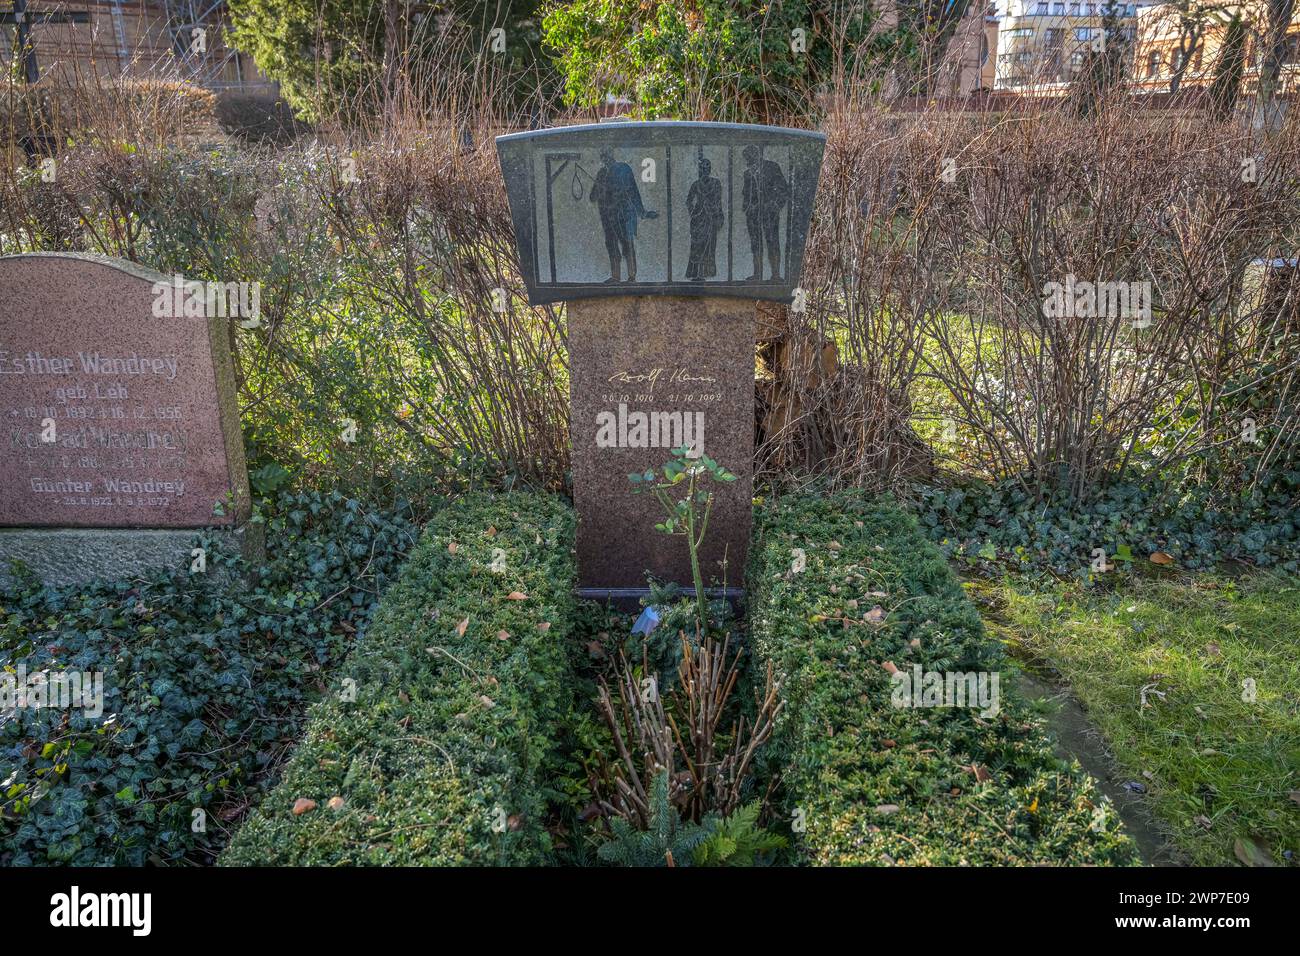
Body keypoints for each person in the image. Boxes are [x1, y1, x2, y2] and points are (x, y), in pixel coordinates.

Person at [589, 146, 657, 283]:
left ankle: (632, 276)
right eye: (603, 156)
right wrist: (600, 186)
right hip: (608, 218)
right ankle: (616, 276)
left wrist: (641, 212)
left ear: (610, 156)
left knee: (627, 244)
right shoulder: (601, 174)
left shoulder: (624, 169)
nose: (605, 159)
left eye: (606, 156)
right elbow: (593, 197)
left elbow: (633, 191)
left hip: (623, 215)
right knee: (611, 245)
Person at [741, 144, 790, 282]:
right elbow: (746, 193)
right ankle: (757, 274)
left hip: (769, 212)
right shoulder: (747, 173)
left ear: (755, 155)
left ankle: (775, 275)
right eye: (746, 159)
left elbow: (783, 188)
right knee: (755, 243)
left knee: (772, 242)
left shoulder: (772, 167)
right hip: (753, 213)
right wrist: (747, 207)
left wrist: (775, 206)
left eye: (748, 158)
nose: (747, 161)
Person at [685, 155, 724, 280]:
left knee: (709, 245)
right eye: (703, 168)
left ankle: (705, 273)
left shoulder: (716, 183)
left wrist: (719, 216)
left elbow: (719, 201)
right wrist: (693, 212)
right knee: (697, 246)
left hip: (711, 217)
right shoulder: (696, 184)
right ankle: (696, 273)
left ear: (710, 169)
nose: (705, 170)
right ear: (700, 170)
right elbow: (688, 201)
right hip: (698, 218)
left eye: (707, 168)